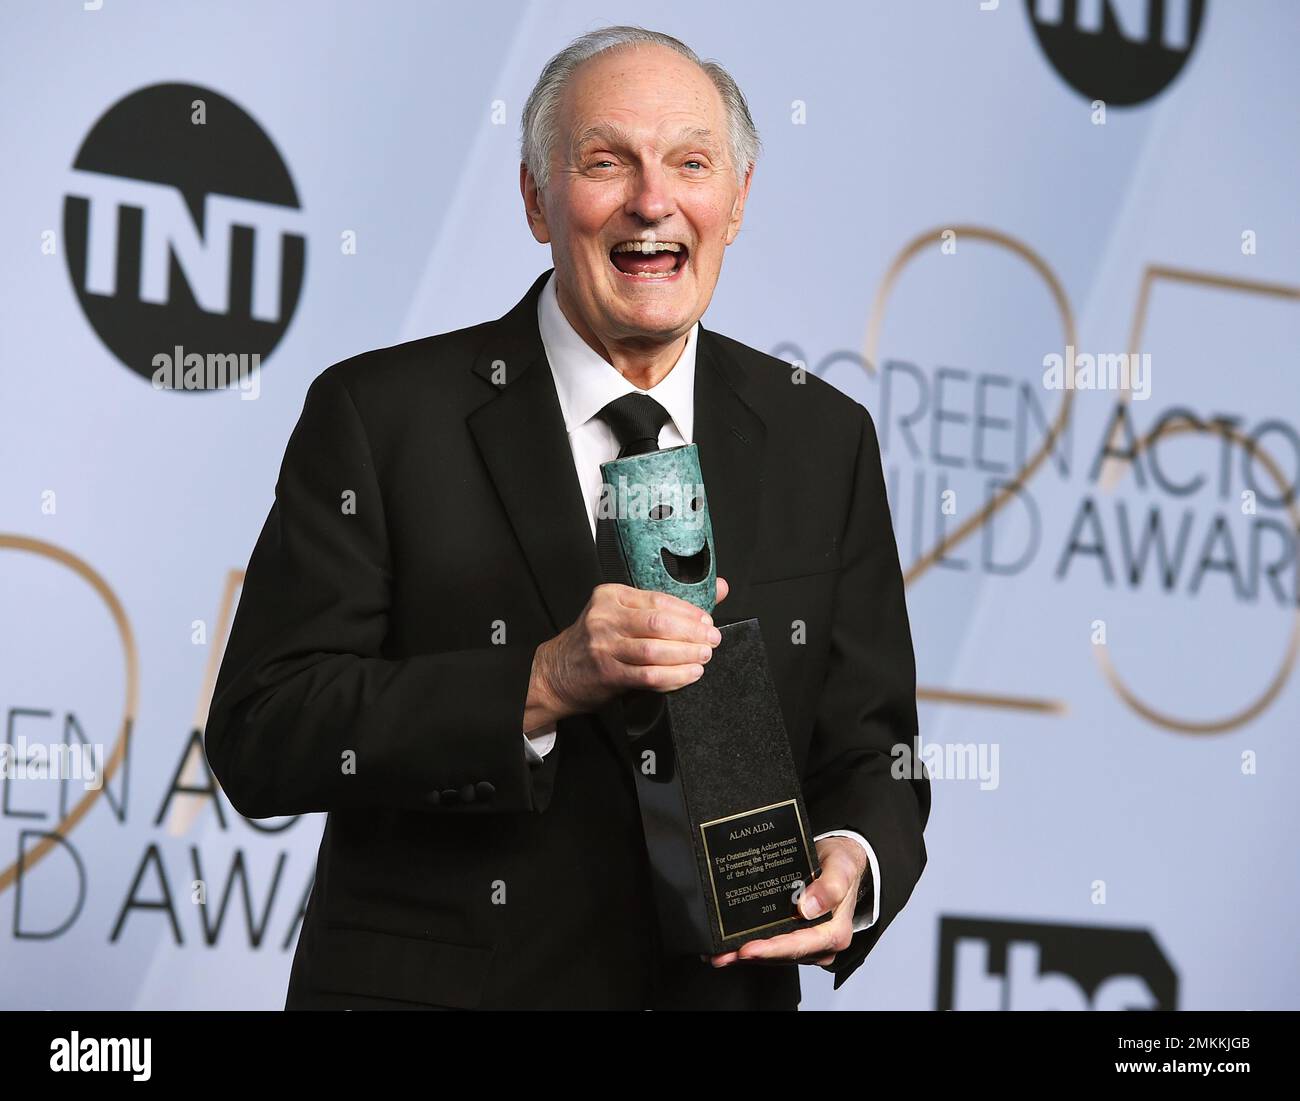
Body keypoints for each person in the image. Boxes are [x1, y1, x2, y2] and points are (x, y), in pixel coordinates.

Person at [205, 25, 928, 1010]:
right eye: (605, 162)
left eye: (690, 163)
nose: (651, 201)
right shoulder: (383, 417)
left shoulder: (821, 435)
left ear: (738, 201)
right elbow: (264, 731)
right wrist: (541, 679)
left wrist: (852, 860)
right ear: (536, 200)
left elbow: (871, 748)